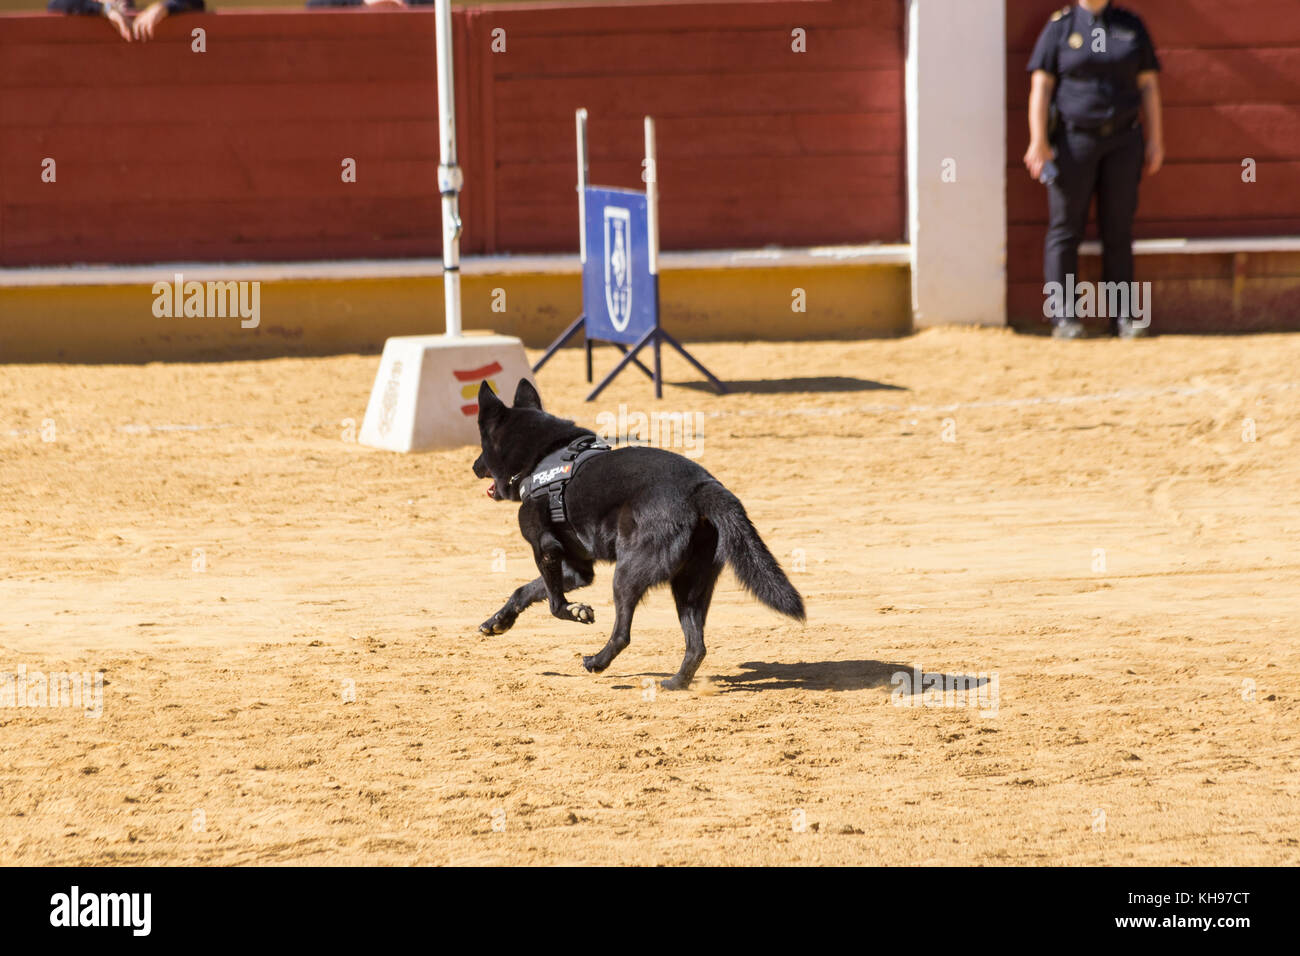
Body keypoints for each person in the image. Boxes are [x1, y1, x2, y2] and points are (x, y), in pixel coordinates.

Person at [1023, 1, 1165, 339]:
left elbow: (1148, 85)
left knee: (1118, 228)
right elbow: (1041, 87)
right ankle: (1064, 317)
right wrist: (1037, 140)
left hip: (1124, 140)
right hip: (1073, 142)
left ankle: (1124, 317)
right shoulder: (1061, 26)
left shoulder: (1130, 24)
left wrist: (1156, 139)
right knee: (1065, 228)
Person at [46, 0, 206, 43]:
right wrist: (106, 10)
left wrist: (163, 7)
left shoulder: (139, 14)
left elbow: (196, 2)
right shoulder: (86, 7)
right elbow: (56, 4)